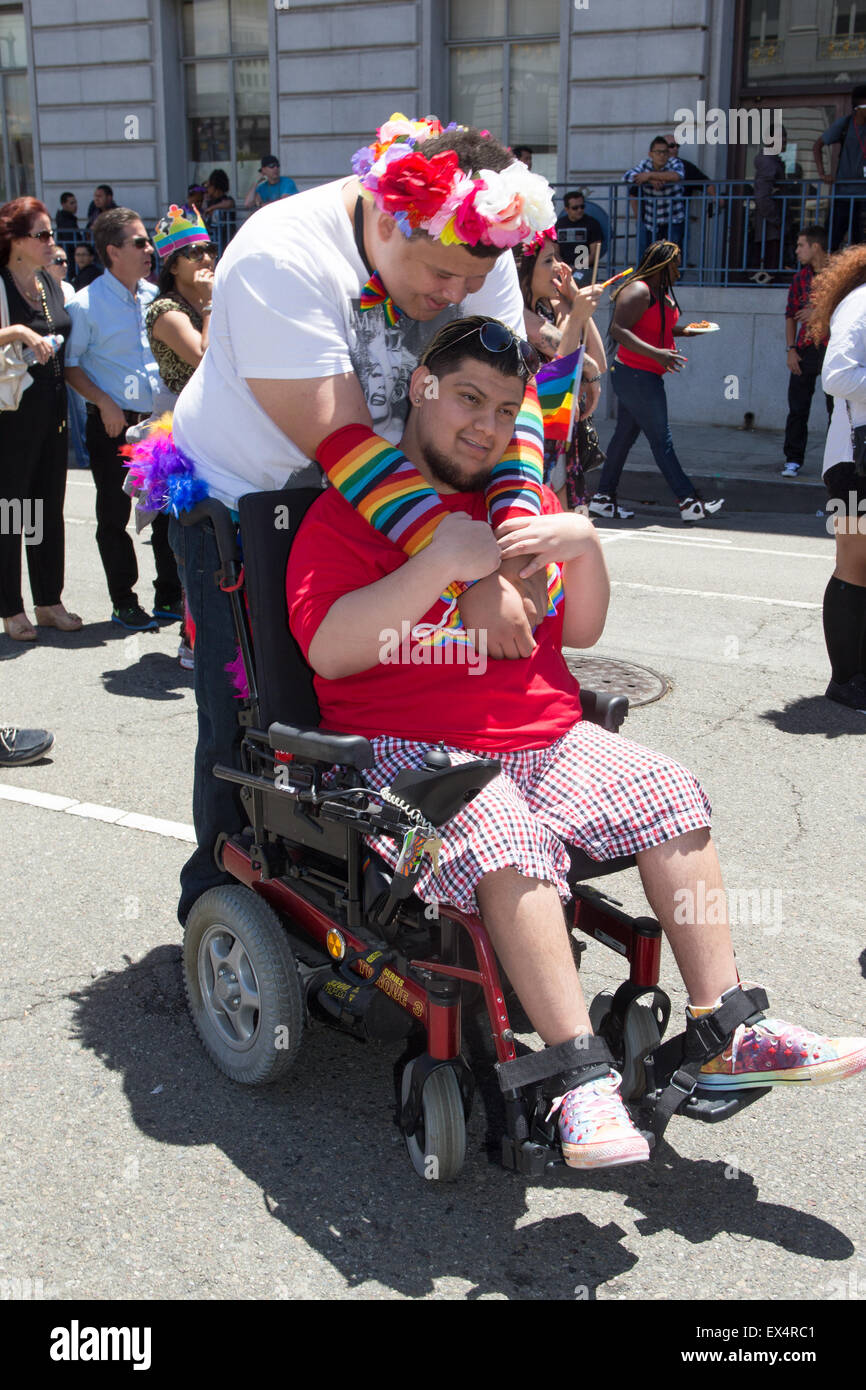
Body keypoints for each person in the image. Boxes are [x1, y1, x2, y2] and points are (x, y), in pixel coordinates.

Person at [287, 316, 866, 1171]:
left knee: (669, 787)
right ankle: (572, 1079)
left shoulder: (516, 505)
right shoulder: (348, 517)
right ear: (422, 388)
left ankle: (725, 1028)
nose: (484, 425)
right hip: (404, 755)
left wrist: (585, 546)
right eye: (467, 400)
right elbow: (330, 650)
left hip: (544, 736)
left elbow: (580, 627)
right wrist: (439, 565)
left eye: (503, 409)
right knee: (502, 828)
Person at [130, 114, 557, 926]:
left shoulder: (472, 253)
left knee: (378, 689)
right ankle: (219, 896)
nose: (457, 297)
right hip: (245, 495)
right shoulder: (279, 253)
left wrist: (515, 551)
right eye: (441, 278)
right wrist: (464, 566)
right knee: (254, 710)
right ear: (391, 217)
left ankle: (362, 892)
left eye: (472, 283)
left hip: (383, 496)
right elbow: (345, 441)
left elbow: (514, 404)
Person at [65, 207, 182, 631]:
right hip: (112, 423)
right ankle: (123, 600)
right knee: (113, 514)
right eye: (139, 242)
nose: (148, 249)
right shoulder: (84, 304)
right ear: (113, 251)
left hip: (158, 424)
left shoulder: (156, 299)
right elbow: (71, 365)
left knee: (168, 510)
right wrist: (103, 401)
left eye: (148, 240)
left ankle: (170, 594)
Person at [589, 240, 723, 523]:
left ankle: (602, 498)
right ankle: (688, 501)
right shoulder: (638, 290)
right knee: (662, 440)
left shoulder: (658, 292)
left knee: (624, 438)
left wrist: (686, 331)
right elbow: (618, 329)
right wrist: (657, 353)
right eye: (675, 264)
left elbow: (656, 326)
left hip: (643, 376)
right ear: (662, 265)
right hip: (635, 376)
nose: (678, 270)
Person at [0, 197, 81, 641]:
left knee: (47, 508)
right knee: (12, 510)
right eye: (43, 235)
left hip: (51, 411)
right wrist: (15, 331)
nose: (53, 242)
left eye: (52, 234)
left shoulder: (47, 283)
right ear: (15, 240)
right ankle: (11, 607)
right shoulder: (1, 283)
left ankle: (48, 600)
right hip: (10, 416)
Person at [143, 203, 216, 665]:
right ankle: (192, 639)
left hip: (219, 426)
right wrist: (211, 304)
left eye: (209, 249)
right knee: (193, 537)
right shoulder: (165, 310)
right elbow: (203, 355)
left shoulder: (209, 299)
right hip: (184, 436)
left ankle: (215, 632)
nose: (207, 259)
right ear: (173, 266)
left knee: (223, 534)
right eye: (194, 253)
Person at [808, 245, 866, 713]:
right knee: (854, 562)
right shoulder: (861, 302)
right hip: (853, 465)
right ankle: (845, 681)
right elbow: (838, 376)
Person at [516, 229, 606, 510]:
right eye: (548, 260)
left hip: (562, 440)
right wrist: (575, 313)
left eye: (558, 257)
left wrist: (576, 303)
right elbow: (561, 371)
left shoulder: (551, 308)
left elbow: (598, 363)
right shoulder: (520, 316)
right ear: (524, 270)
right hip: (533, 440)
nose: (560, 267)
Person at [781, 225, 831, 478]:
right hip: (805, 348)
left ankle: (838, 463)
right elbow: (790, 315)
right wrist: (791, 350)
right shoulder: (800, 277)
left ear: (816, 247)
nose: (797, 250)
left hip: (835, 347)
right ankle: (792, 460)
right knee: (798, 408)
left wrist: (819, 314)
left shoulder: (840, 275)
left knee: (838, 410)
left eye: (801, 245)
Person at [813, 86, 866, 253]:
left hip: (864, 196)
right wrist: (822, 173)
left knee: (861, 245)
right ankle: (826, 276)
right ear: (858, 108)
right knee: (832, 240)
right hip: (843, 194)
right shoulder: (845, 124)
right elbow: (817, 145)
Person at [624, 137, 685, 261]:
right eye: (658, 152)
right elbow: (627, 176)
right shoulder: (645, 164)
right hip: (652, 220)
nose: (662, 155)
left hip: (673, 219)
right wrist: (650, 180)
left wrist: (649, 176)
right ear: (650, 154)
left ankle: (673, 281)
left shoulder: (674, 162)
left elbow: (677, 175)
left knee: (672, 257)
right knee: (649, 258)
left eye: (665, 152)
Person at [554, 191, 602, 277]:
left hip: (584, 269)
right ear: (567, 209)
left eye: (582, 207)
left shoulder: (592, 224)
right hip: (562, 268)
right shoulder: (559, 225)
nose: (579, 210)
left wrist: (576, 268)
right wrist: (565, 267)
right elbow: (555, 252)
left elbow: (594, 253)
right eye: (575, 208)